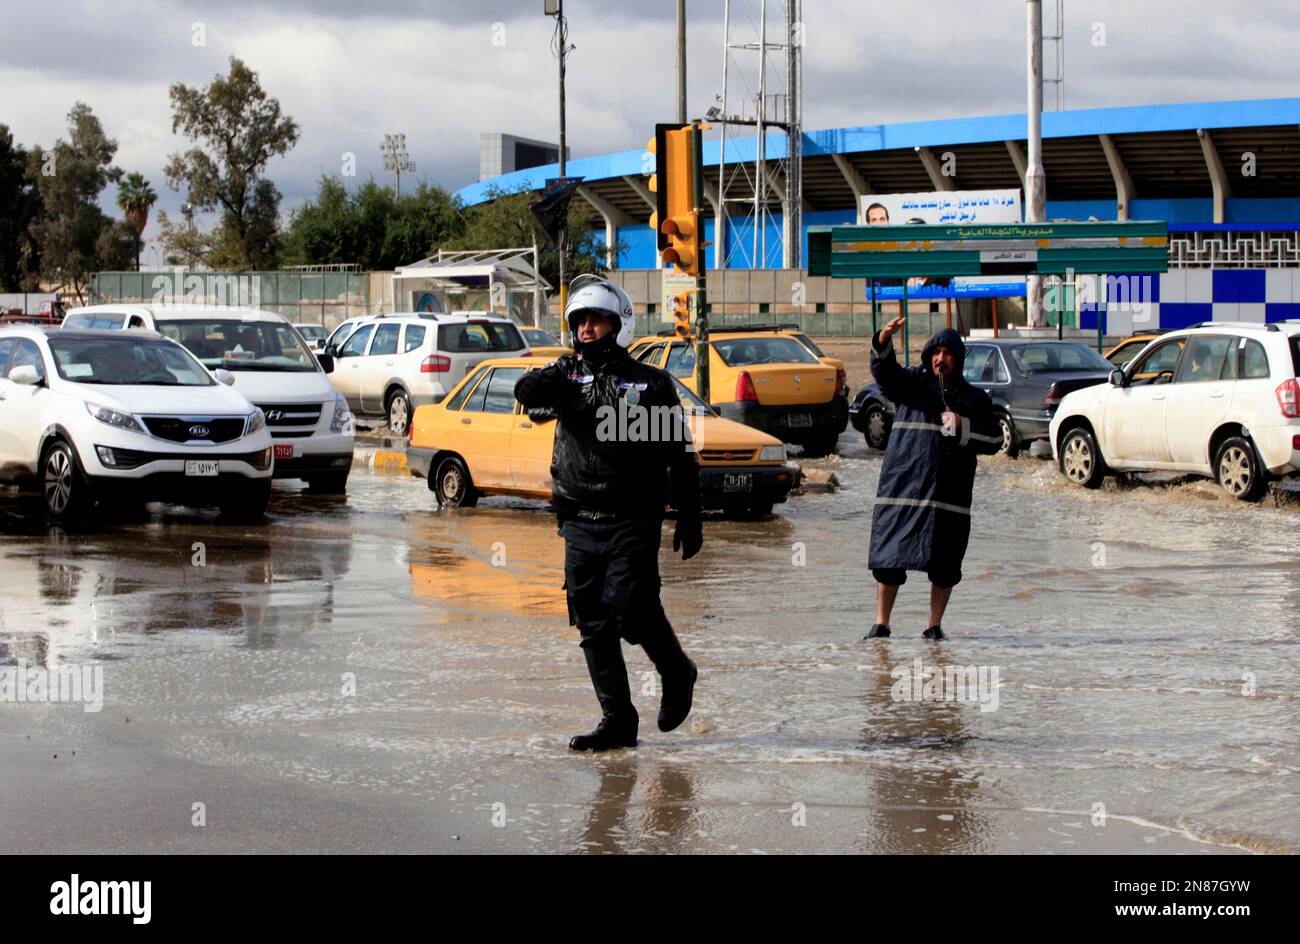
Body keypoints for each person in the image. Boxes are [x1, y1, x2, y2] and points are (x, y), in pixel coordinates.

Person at [514, 277, 703, 751]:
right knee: (592, 621)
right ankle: (618, 720)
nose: (587, 329)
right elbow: (525, 392)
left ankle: (676, 670)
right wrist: (553, 376)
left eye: (596, 320)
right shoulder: (565, 378)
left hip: (632, 518)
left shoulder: (652, 384)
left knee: (630, 609)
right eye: (580, 321)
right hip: (577, 518)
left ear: (618, 325)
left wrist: (689, 512)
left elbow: (679, 453)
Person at [864, 316, 1001, 640]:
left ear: (959, 359)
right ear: (929, 356)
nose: (941, 358)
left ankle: (933, 626)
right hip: (903, 492)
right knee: (888, 559)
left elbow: (995, 441)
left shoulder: (974, 400)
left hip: (948, 500)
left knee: (945, 565)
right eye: (936, 352)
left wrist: (963, 425)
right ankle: (881, 624)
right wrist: (883, 341)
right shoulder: (911, 385)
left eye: (948, 353)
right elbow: (885, 374)